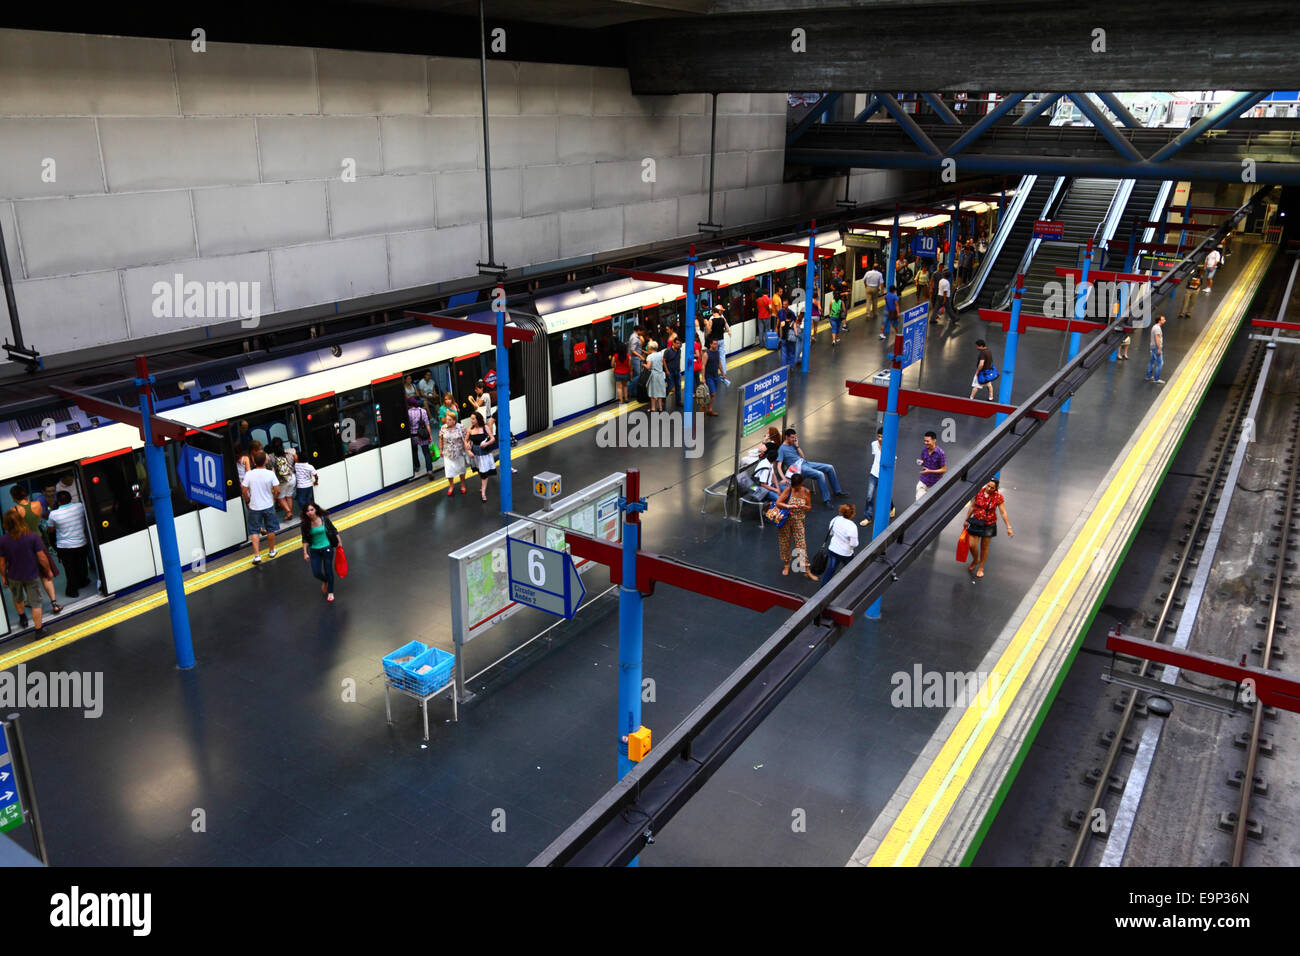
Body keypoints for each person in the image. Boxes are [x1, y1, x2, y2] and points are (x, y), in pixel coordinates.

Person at [0, 509, 56, 633]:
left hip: (13, 576)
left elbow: (2, 563)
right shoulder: (32, 536)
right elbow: (42, 557)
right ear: (21, 521)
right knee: (36, 603)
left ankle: (23, 618)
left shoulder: (3, 540)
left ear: (6, 524)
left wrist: (4, 576)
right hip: (31, 575)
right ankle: (39, 631)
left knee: (17, 597)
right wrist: (48, 570)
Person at [775, 427, 846, 507]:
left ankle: (837, 491)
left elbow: (803, 457)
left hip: (804, 463)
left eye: (795, 437)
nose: (794, 439)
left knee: (830, 467)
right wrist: (784, 478)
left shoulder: (793, 444)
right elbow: (778, 466)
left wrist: (797, 446)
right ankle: (827, 499)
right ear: (786, 437)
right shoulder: (781, 449)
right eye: (792, 437)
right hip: (798, 468)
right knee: (820, 474)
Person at [963, 477, 1014, 579]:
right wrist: (966, 519)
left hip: (989, 524)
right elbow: (973, 506)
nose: (989, 488)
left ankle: (981, 567)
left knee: (984, 547)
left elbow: (1003, 512)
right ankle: (975, 560)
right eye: (988, 486)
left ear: (996, 489)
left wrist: (1008, 527)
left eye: (992, 488)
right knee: (972, 545)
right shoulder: (979, 492)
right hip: (976, 522)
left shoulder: (998, 497)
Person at [774, 473, 817, 580]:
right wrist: (789, 506)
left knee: (801, 545)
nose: (796, 488)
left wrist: (804, 506)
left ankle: (806, 570)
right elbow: (778, 503)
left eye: (797, 486)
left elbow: (809, 507)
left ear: (801, 484)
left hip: (798, 521)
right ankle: (787, 565)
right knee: (784, 542)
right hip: (786, 520)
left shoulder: (806, 492)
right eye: (794, 486)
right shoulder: (789, 490)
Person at [47, 490, 90, 599]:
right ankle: (83, 581)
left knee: (69, 569)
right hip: (81, 543)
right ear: (71, 499)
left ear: (58, 502)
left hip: (65, 547)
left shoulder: (53, 514)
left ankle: (72, 591)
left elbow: (51, 530)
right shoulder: (80, 507)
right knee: (81, 564)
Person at [241, 450, 280, 565]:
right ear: (265, 461)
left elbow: (244, 489)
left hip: (254, 506)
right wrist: (273, 498)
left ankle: (257, 556)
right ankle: (272, 551)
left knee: (254, 530)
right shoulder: (270, 474)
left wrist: (247, 500)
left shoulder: (249, 474)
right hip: (268, 505)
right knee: (270, 528)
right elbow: (277, 489)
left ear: (253, 461)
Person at [300, 501, 342, 603]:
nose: (310, 512)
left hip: (327, 548)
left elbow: (333, 530)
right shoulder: (305, 524)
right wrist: (305, 552)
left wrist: (339, 541)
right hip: (314, 550)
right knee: (316, 572)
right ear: (305, 513)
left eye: (311, 510)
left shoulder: (324, 519)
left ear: (315, 509)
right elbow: (304, 539)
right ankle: (325, 581)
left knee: (328, 570)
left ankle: (331, 592)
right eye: (307, 511)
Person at [822, 504, 860, 584]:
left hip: (833, 549)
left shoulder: (835, 519)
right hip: (846, 553)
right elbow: (854, 543)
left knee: (831, 569)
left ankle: (823, 588)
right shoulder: (852, 526)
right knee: (849, 570)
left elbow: (831, 533)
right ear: (852, 514)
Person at [466, 412, 497, 501]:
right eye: (471, 419)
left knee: (483, 473)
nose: (471, 421)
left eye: (473, 419)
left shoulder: (485, 428)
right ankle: (484, 485)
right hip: (475, 454)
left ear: (478, 419)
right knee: (480, 470)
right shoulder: (470, 430)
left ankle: (483, 493)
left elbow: (492, 438)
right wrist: (468, 451)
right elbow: (466, 441)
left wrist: (486, 443)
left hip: (484, 454)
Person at [439, 411, 469, 496]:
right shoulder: (443, 428)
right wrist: (440, 450)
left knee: (461, 469)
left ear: (454, 421)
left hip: (459, 452)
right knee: (449, 470)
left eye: (449, 420)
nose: (446, 421)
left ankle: (462, 484)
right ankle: (451, 486)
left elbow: (467, 437)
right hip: (447, 453)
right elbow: (441, 439)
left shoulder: (461, 427)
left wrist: (467, 446)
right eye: (446, 419)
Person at [266, 437, 297, 520]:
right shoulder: (290, 453)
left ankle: (289, 512)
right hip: (291, 478)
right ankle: (289, 513)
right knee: (289, 496)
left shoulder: (271, 457)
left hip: (281, 481)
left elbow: (268, 467)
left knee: (280, 498)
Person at [408, 396, 436, 479]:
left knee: (415, 451)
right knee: (426, 453)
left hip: (413, 436)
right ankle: (430, 471)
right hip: (423, 435)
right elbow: (427, 424)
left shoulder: (408, 413)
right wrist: (430, 435)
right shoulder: (423, 411)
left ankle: (417, 467)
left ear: (409, 405)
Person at [861, 427, 883, 526]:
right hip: (874, 473)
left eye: (882, 437)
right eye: (879, 436)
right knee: (869, 496)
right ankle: (868, 517)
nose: (880, 439)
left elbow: (894, 461)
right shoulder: (874, 444)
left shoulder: (890, 446)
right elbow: (876, 457)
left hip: (884, 475)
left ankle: (891, 507)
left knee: (884, 495)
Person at [916, 430, 947, 501]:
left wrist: (930, 471)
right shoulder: (924, 450)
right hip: (923, 480)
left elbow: (944, 469)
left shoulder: (940, 453)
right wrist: (921, 462)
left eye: (927, 441)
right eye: (925, 441)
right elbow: (924, 462)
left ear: (934, 440)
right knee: (919, 502)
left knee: (930, 504)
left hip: (934, 484)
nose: (925, 443)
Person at [710, 305, 731, 383]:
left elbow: (709, 330)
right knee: (722, 356)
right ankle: (724, 373)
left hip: (714, 341)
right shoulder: (723, 318)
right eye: (721, 310)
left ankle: (714, 373)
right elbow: (727, 329)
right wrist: (723, 331)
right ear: (718, 311)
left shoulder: (711, 319)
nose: (722, 312)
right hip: (721, 340)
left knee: (714, 357)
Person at [1145, 314, 1166, 384]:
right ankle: (1157, 379)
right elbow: (1157, 339)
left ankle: (1148, 376)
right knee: (1160, 363)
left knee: (1151, 362)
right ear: (1159, 321)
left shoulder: (1155, 327)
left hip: (1152, 347)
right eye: (1163, 319)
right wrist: (1159, 349)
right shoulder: (1157, 328)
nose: (1165, 320)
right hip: (1156, 348)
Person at [703, 338, 722, 416]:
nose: (716, 345)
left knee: (711, 394)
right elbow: (703, 366)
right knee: (713, 393)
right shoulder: (706, 354)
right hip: (708, 376)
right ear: (710, 344)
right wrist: (703, 377)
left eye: (716, 344)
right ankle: (708, 408)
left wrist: (723, 373)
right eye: (714, 344)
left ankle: (707, 407)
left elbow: (719, 363)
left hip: (715, 375)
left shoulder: (717, 353)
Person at [646, 341, 667, 412]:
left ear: (650, 348)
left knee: (653, 392)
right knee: (660, 391)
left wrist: (644, 365)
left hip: (653, 375)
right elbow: (663, 363)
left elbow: (648, 367)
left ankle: (653, 408)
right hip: (660, 374)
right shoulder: (660, 354)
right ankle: (660, 407)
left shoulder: (650, 356)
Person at [663, 333, 681, 407]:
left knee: (678, 386)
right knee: (670, 386)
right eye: (677, 343)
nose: (678, 345)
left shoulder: (679, 351)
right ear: (673, 343)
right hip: (670, 371)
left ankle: (678, 402)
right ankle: (663, 398)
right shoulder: (668, 351)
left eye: (679, 343)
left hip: (677, 370)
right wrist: (666, 370)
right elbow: (664, 360)